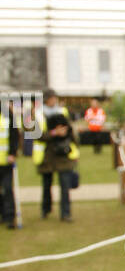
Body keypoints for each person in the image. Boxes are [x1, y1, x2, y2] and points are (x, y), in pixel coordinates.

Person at [33, 89, 79, 221]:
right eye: (51, 98)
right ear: (46, 99)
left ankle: (66, 213)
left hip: (62, 153)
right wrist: (54, 133)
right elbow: (35, 135)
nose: (54, 100)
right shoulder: (37, 114)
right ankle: (45, 209)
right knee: (46, 185)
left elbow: (71, 132)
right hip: (46, 155)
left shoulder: (62, 112)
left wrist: (66, 134)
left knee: (65, 185)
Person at [0, 100, 19, 229]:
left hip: (6, 161)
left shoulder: (7, 113)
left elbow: (14, 134)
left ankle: (10, 216)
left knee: (7, 188)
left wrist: (12, 153)